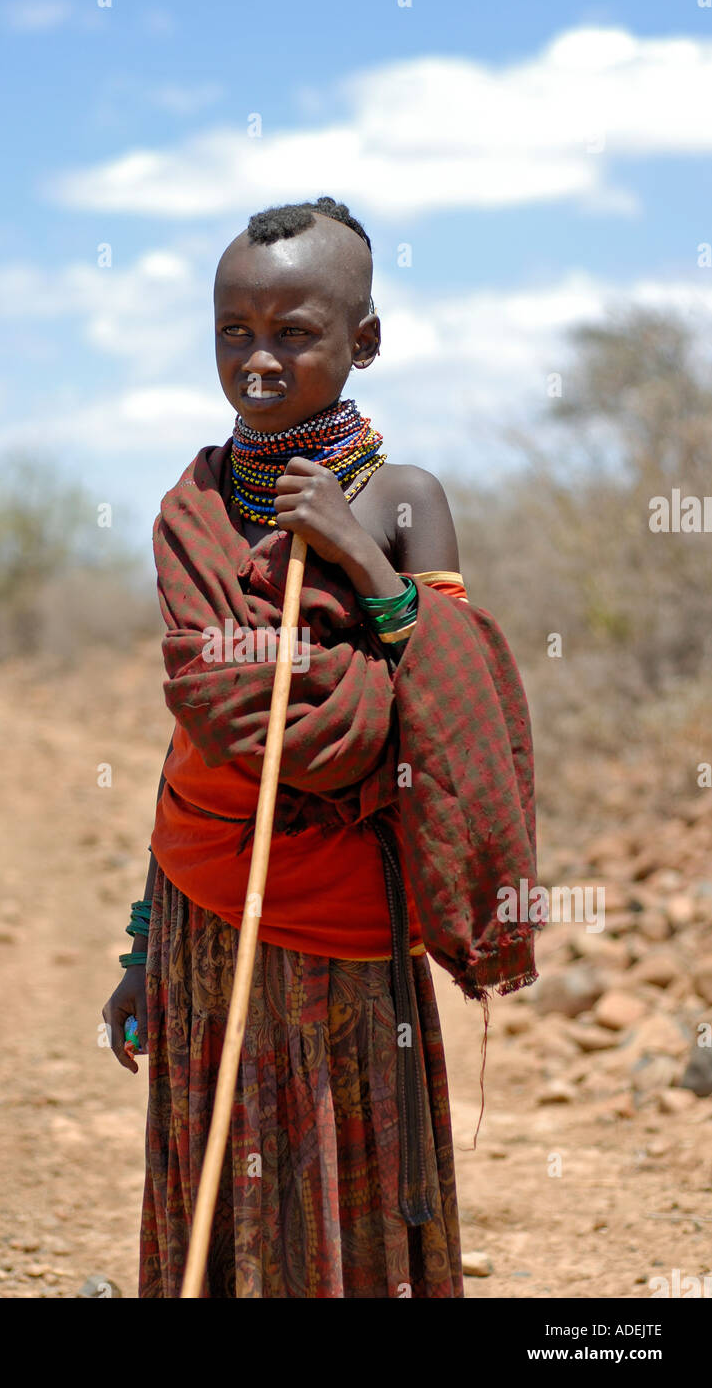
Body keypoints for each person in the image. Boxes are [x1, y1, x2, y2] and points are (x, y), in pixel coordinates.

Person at [102, 196, 539, 1299]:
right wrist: (141, 939)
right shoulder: (190, 507)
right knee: (221, 1176)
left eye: (293, 331)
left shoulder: (400, 500)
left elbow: (441, 694)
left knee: (343, 1174)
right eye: (232, 331)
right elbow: (203, 724)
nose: (257, 358)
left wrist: (358, 554)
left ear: (365, 340)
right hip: (208, 901)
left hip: (346, 912)